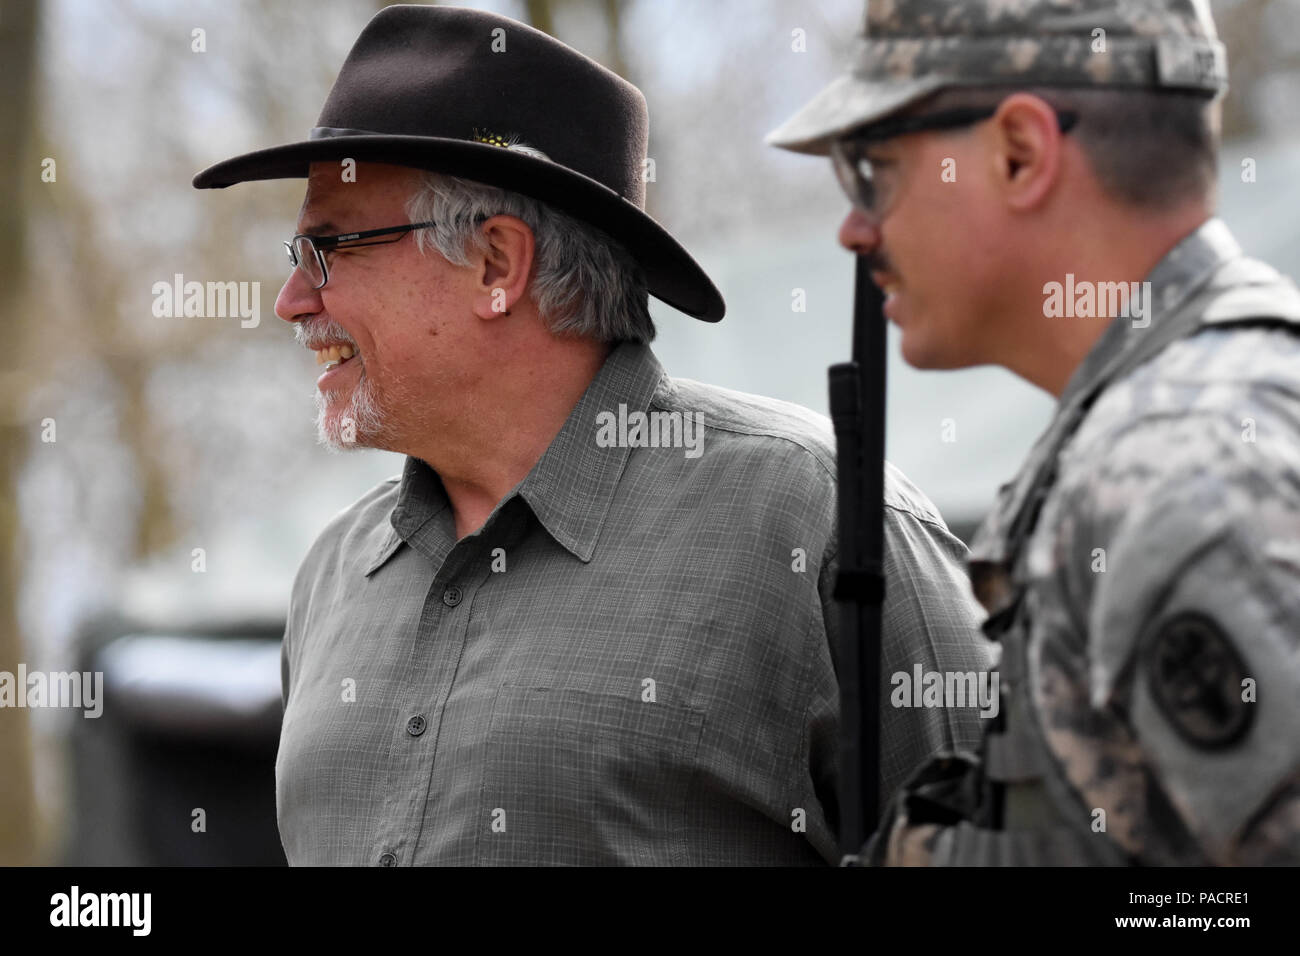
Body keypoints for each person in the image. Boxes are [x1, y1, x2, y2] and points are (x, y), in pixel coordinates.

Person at [193, 4, 992, 865]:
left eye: (329, 248)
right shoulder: (330, 579)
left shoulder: (814, 519)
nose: (292, 301)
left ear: (497, 264)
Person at [769, 0, 1300, 865]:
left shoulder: (1178, 469)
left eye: (874, 171)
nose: (855, 227)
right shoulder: (1188, 416)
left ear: (1020, 153)